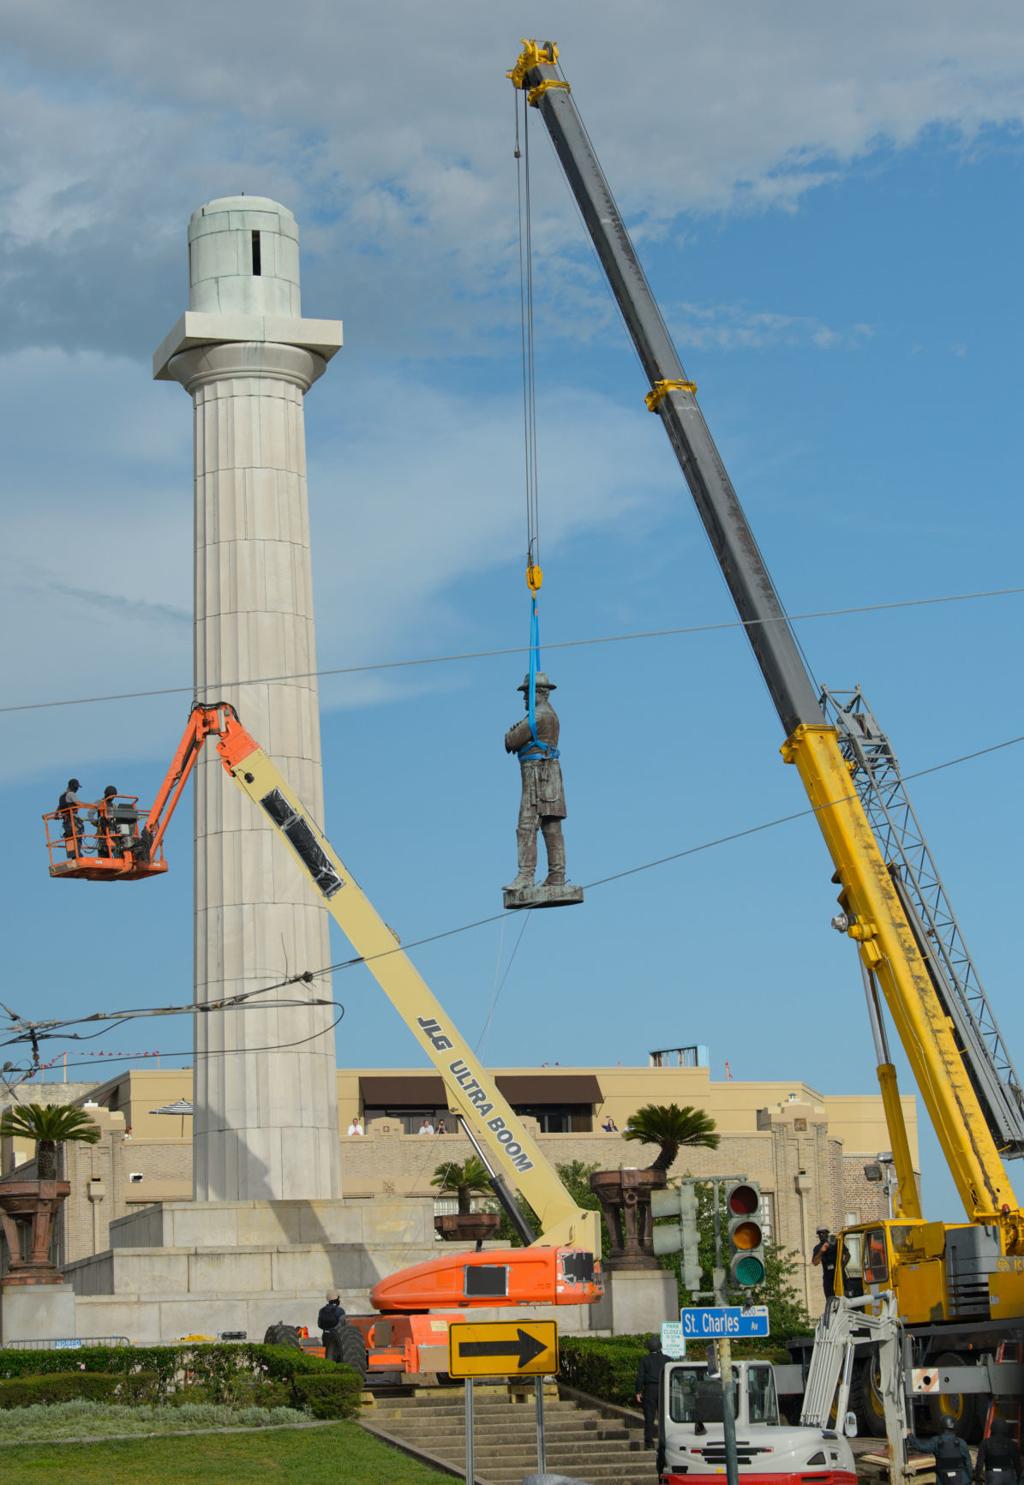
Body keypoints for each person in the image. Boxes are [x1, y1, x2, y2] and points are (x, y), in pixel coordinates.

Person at [504, 671, 569, 891]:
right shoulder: (549, 714)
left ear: (538, 693)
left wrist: (514, 735)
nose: (524, 698)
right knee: (551, 826)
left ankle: (525, 876)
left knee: (527, 826)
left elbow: (511, 740)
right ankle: (557, 875)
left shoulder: (538, 716)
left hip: (536, 776)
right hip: (549, 774)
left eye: (526, 693)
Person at [909, 1418, 973, 1485]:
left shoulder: (936, 1441)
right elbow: (968, 1463)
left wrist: (909, 1435)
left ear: (941, 1428)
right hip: (961, 1480)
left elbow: (921, 1447)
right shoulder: (961, 1442)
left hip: (943, 1480)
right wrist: (969, 1479)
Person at [635, 1333, 669, 1452]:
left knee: (649, 1417)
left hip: (650, 1390)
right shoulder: (667, 1359)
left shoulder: (645, 1360)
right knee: (664, 1417)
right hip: (664, 1389)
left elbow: (640, 1377)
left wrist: (638, 1391)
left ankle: (649, 1443)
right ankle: (665, 1442)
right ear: (660, 1347)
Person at [975, 1418, 1021, 1485]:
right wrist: (1019, 1477)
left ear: (992, 1428)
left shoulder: (985, 1443)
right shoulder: (1011, 1443)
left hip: (992, 1476)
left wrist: (977, 1479)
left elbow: (979, 1464)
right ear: (1005, 1428)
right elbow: (1017, 1463)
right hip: (1008, 1476)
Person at [57, 778, 83, 856]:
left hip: (66, 823)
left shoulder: (62, 797)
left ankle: (74, 857)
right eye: (76, 787)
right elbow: (79, 804)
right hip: (73, 821)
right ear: (73, 787)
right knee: (77, 838)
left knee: (70, 841)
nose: (77, 789)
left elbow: (56, 812)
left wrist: (59, 816)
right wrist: (93, 806)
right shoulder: (71, 794)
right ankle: (78, 856)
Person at [812, 1227, 838, 1300]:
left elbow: (847, 1255)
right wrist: (821, 1251)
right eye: (819, 1234)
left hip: (839, 1274)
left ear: (827, 1233)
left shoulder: (835, 1243)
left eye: (823, 1233)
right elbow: (815, 1262)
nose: (821, 1235)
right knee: (830, 1299)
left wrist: (841, 1266)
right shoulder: (817, 1247)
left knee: (843, 1297)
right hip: (828, 1277)